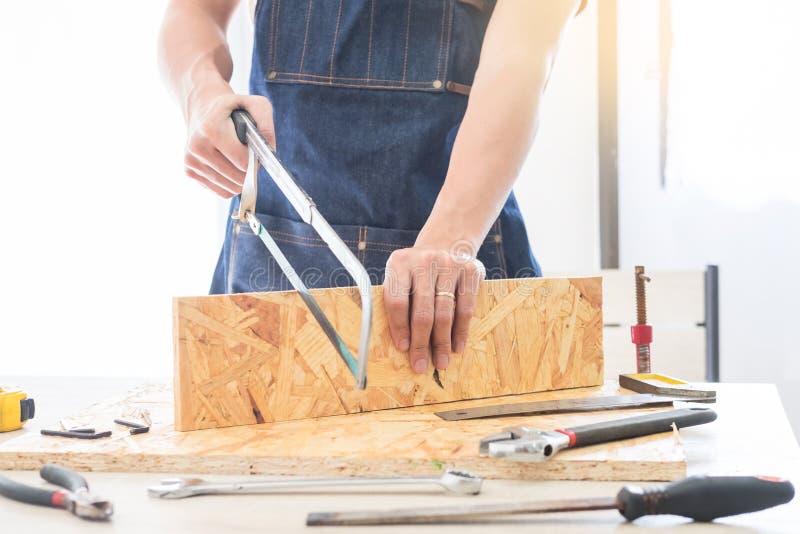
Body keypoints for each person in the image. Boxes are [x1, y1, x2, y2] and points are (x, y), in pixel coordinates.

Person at [159, 0, 585, 376]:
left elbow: (522, 58)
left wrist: (451, 241)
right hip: (273, 264)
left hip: (453, 272)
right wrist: (202, 95)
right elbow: (193, 9)